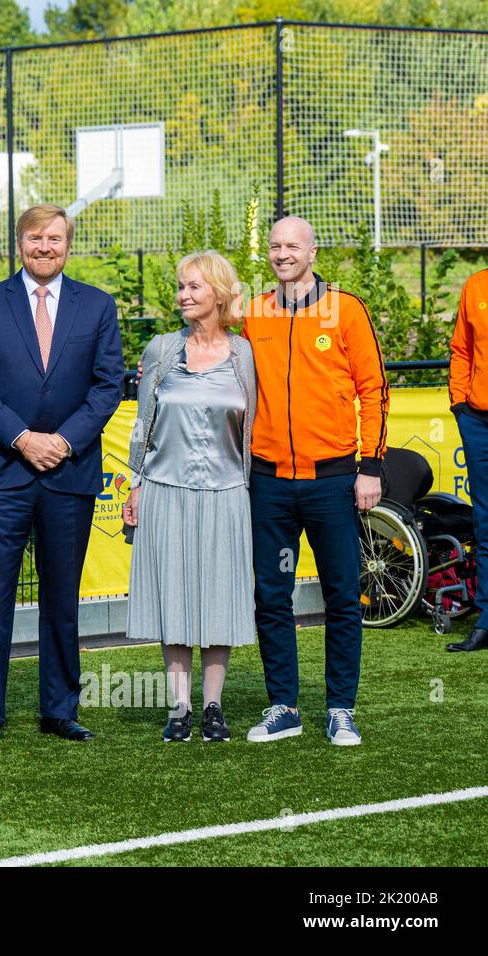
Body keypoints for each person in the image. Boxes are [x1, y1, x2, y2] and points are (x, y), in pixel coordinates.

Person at [0, 204, 124, 753]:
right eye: (35, 238)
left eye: (54, 238)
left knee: (62, 597)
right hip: (4, 471)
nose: (44, 247)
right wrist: (23, 438)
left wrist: (64, 441)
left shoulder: (97, 305)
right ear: (20, 243)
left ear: (67, 244)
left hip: (70, 473)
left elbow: (106, 387)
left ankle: (60, 708)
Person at [242, 216, 388, 746]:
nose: (283, 254)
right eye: (276, 246)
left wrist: (370, 465)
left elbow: (374, 389)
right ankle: (283, 704)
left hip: (333, 480)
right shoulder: (254, 312)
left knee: (342, 596)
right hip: (269, 481)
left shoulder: (345, 309)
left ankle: (340, 708)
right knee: (271, 596)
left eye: (293, 246)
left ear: (312, 251)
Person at [124, 251, 257, 743]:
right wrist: (135, 483)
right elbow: (143, 424)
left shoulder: (245, 354)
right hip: (165, 490)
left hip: (226, 493)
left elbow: (252, 428)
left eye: (195, 287)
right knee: (174, 597)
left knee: (219, 597)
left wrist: (249, 487)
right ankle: (179, 706)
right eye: (181, 286)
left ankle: (213, 707)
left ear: (219, 294)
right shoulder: (160, 350)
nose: (183, 295)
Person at [446, 267, 488, 652]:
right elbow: (461, 348)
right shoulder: (476, 283)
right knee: (485, 521)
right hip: (477, 420)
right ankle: (485, 618)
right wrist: (459, 404)